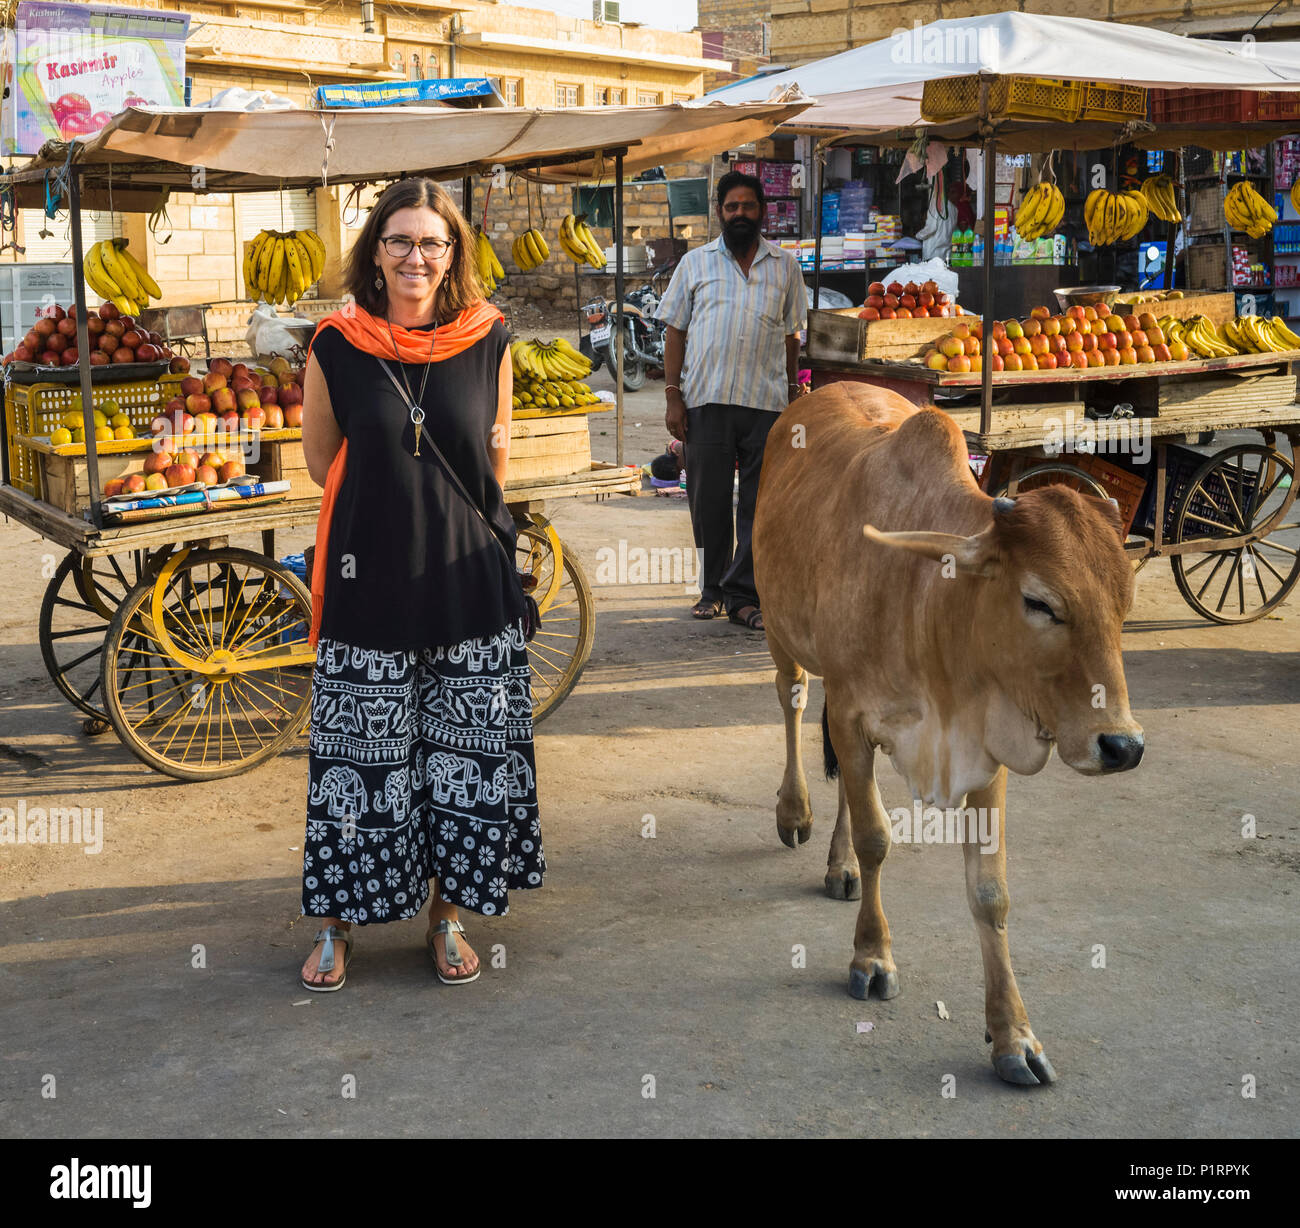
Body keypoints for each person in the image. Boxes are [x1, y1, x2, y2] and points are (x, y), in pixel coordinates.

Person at [297, 177, 544, 991]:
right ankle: (338, 924)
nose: (415, 256)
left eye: (431, 242)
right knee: (360, 761)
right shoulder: (334, 344)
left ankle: (446, 916)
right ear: (375, 250)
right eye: (399, 240)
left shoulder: (491, 337)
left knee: (460, 762)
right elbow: (320, 462)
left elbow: (494, 466)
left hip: (466, 582)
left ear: (452, 255)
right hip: (369, 581)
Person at [656, 170, 807, 631]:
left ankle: (745, 595)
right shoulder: (695, 264)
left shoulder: (785, 266)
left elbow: (791, 336)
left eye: (748, 206)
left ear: (762, 211)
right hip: (706, 400)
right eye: (731, 207)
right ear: (720, 213)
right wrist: (673, 396)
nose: (740, 214)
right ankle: (712, 589)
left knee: (760, 505)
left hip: (765, 402)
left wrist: (792, 388)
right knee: (709, 502)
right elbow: (675, 331)